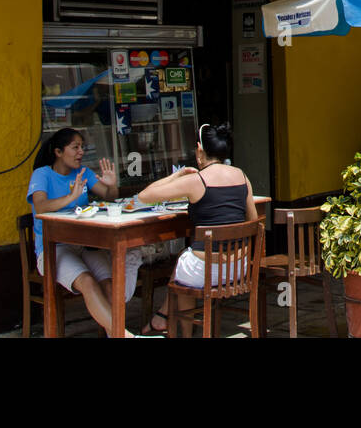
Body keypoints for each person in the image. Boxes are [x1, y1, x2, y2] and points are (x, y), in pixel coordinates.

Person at [135, 123, 258, 335]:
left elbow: (143, 196)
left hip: (206, 272)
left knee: (184, 264)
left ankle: (183, 329)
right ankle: (161, 318)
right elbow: (253, 221)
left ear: (200, 150)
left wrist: (177, 175)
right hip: (239, 269)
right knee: (185, 261)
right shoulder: (241, 176)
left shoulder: (196, 181)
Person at [27, 128, 143, 339]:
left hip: (82, 246)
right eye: (75, 147)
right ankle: (124, 335)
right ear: (58, 152)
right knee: (88, 282)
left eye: (82, 147)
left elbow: (109, 197)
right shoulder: (42, 174)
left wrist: (111, 185)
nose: (81, 152)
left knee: (109, 284)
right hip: (53, 250)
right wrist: (71, 197)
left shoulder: (83, 173)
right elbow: (41, 206)